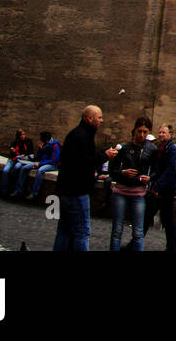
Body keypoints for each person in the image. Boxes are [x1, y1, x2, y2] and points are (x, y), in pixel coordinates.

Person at [53, 105, 115, 252]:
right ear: (89, 118)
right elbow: (86, 160)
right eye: (99, 117)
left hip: (65, 189)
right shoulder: (83, 136)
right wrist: (104, 155)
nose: (101, 120)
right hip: (77, 191)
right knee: (82, 231)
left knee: (65, 229)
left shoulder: (75, 134)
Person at [109, 117, 155, 251]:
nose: (141, 135)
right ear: (134, 131)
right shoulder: (124, 147)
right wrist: (123, 172)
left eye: (145, 132)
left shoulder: (151, 149)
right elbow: (113, 170)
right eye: (139, 131)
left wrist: (149, 178)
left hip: (138, 193)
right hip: (121, 191)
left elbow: (157, 170)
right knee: (117, 230)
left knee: (138, 232)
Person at [143, 123, 176, 251]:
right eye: (160, 132)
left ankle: (171, 247)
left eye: (163, 132)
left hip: (166, 190)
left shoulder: (172, 150)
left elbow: (170, 171)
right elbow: (159, 170)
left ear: (170, 135)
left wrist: (156, 187)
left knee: (164, 219)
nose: (160, 135)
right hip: (162, 187)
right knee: (152, 217)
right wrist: (152, 179)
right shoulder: (162, 148)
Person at [15, 131, 61, 200]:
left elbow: (54, 160)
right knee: (24, 168)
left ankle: (34, 193)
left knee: (40, 170)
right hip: (42, 162)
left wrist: (40, 164)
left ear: (46, 139)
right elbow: (39, 156)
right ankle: (19, 190)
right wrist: (41, 148)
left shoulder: (55, 145)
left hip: (53, 165)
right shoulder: (45, 144)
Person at [0, 130, 36, 197]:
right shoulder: (14, 142)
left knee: (17, 167)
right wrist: (16, 153)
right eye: (21, 135)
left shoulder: (28, 142)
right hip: (13, 159)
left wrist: (22, 156)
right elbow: (12, 154)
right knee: (5, 171)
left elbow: (30, 153)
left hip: (21, 160)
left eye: (24, 134)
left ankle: (12, 183)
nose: (23, 136)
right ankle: (4, 191)